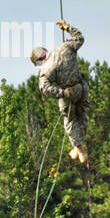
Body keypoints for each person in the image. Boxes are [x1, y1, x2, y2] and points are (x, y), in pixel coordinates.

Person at [31, 20, 90, 164]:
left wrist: (61, 93)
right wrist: (67, 28)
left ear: (40, 60)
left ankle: (80, 150)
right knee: (82, 115)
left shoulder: (46, 69)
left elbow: (44, 88)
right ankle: (78, 148)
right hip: (82, 89)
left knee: (69, 121)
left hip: (68, 94)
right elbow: (80, 39)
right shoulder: (65, 47)